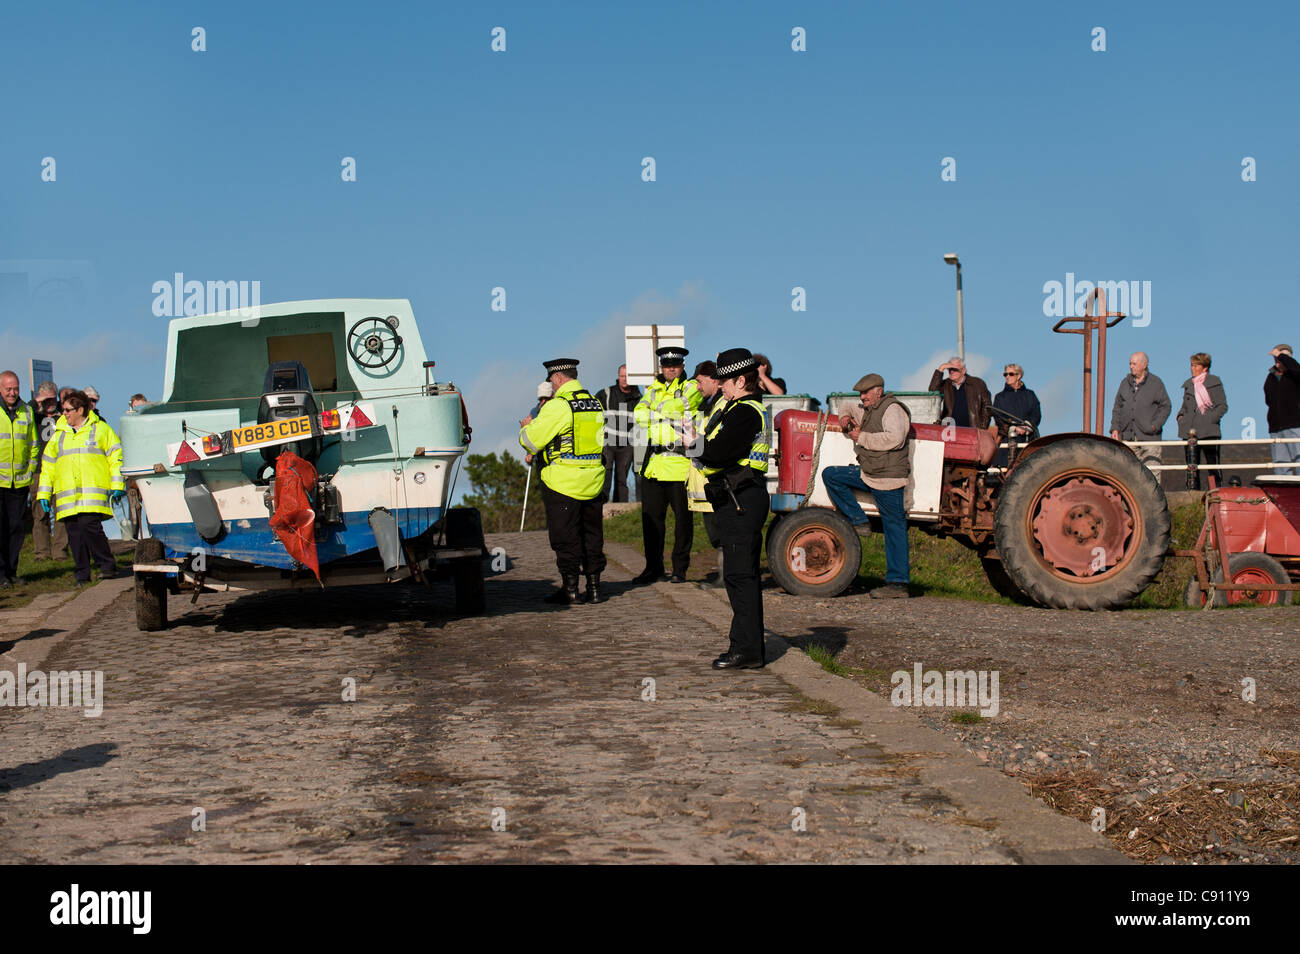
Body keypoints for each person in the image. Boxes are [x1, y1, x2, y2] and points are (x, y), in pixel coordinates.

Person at [693, 348, 772, 669]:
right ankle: (745, 646)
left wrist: (692, 445)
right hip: (735, 497)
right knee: (740, 576)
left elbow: (717, 452)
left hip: (741, 497)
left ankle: (747, 650)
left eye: (725, 380)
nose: (721, 385)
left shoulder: (745, 411)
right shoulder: (736, 408)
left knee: (741, 577)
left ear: (741, 380)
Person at [519, 359, 607, 605]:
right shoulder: (594, 403)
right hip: (593, 481)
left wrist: (527, 427)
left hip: (563, 482)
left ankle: (570, 590)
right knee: (592, 536)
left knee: (566, 537)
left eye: (551, 381)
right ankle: (595, 588)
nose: (552, 386)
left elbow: (532, 441)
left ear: (557, 378)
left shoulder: (559, 405)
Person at [821, 374, 913, 598]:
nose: (862, 398)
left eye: (866, 393)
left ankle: (898, 583)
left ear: (879, 392)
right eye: (861, 394)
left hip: (889, 478)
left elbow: (895, 439)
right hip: (871, 473)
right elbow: (848, 405)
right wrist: (844, 416)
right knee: (831, 475)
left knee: (894, 529)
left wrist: (861, 437)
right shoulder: (872, 408)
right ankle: (859, 520)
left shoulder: (893, 410)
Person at [35, 390, 124, 586]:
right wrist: (43, 493)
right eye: (63, 410)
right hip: (67, 496)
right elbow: (48, 465)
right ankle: (82, 574)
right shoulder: (58, 434)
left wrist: (118, 484)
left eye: (68, 410)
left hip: (92, 493)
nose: (64, 413)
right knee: (74, 534)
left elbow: (116, 458)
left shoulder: (101, 429)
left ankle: (107, 565)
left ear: (80, 409)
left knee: (90, 527)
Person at [632, 346, 701, 584]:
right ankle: (654, 568)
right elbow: (638, 414)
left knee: (683, 521)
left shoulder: (690, 387)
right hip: (655, 464)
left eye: (676, 365)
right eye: (667, 365)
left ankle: (680, 569)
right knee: (651, 520)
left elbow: (676, 409)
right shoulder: (652, 389)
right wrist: (661, 413)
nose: (671, 369)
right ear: (661, 367)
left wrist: (657, 412)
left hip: (680, 463)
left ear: (682, 366)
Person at [687, 361, 726, 589]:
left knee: (722, 535)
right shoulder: (707, 406)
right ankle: (724, 576)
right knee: (716, 535)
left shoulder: (720, 406)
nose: (698, 387)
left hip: (714, 483)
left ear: (713, 380)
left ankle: (725, 578)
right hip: (706, 484)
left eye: (700, 381)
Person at [1, 371, 40, 585]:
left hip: (19, 481)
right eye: (8, 389)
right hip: (0, 481)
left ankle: (12, 571)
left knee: (16, 528)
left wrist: (30, 469)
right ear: (0, 388)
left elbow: (34, 444)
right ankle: (0, 575)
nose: (12, 393)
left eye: (15, 388)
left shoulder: (27, 410)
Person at [27, 381, 69, 561]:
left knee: (61, 512)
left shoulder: (63, 414)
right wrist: (37, 402)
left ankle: (60, 552)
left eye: (53, 398)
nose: (50, 402)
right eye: (47, 399)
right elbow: (25, 408)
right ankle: (41, 553)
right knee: (40, 514)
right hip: (39, 471)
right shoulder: (33, 415)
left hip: (60, 470)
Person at [1109, 351, 1171, 472]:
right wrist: (1115, 428)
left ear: (1144, 364)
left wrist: (1154, 426)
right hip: (1128, 436)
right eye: (1130, 363)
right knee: (1129, 473)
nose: (1131, 366)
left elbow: (1166, 406)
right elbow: (1117, 407)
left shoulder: (1156, 383)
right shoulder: (1124, 383)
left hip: (1150, 438)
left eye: (1134, 364)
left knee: (1152, 473)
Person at [1176, 352, 1229, 487]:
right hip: (1190, 430)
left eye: (1196, 365)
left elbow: (1222, 406)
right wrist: (1180, 417)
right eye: (1191, 365)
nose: (1192, 368)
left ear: (1204, 367)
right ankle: (1192, 493)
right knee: (1192, 465)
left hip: (1209, 430)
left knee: (1213, 464)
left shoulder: (1214, 382)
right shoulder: (1189, 384)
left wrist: (1210, 419)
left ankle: (1217, 490)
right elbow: (1185, 406)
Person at [596, 364, 641, 503]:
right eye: (622, 376)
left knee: (622, 478)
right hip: (608, 443)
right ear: (618, 376)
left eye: (627, 376)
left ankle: (621, 508)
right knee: (606, 474)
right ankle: (602, 506)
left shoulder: (639, 398)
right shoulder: (606, 393)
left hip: (627, 445)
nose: (624, 379)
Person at [929, 357, 996, 435]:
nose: (951, 371)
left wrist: (982, 429)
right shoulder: (946, 384)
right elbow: (932, 392)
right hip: (950, 433)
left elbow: (987, 408)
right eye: (949, 369)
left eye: (955, 369)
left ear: (963, 370)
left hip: (972, 432)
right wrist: (941, 369)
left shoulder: (977, 383)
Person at [992, 364, 1042, 467]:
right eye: (1005, 374)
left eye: (1011, 374)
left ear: (1018, 376)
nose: (1007, 376)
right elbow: (998, 417)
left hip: (1028, 439)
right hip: (1008, 441)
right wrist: (1013, 427)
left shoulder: (1030, 395)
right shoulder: (1000, 397)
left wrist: (1027, 426)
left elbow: (1036, 414)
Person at [1265, 344, 1300, 475]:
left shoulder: (1295, 374)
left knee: (1299, 458)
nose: (1279, 361)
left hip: (1295, 424)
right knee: (1280, 464)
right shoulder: (1270, 377)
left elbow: (1296, 368)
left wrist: (1281, 355)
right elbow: (1268, 399)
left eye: (1282, 358)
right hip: (1276, 426)